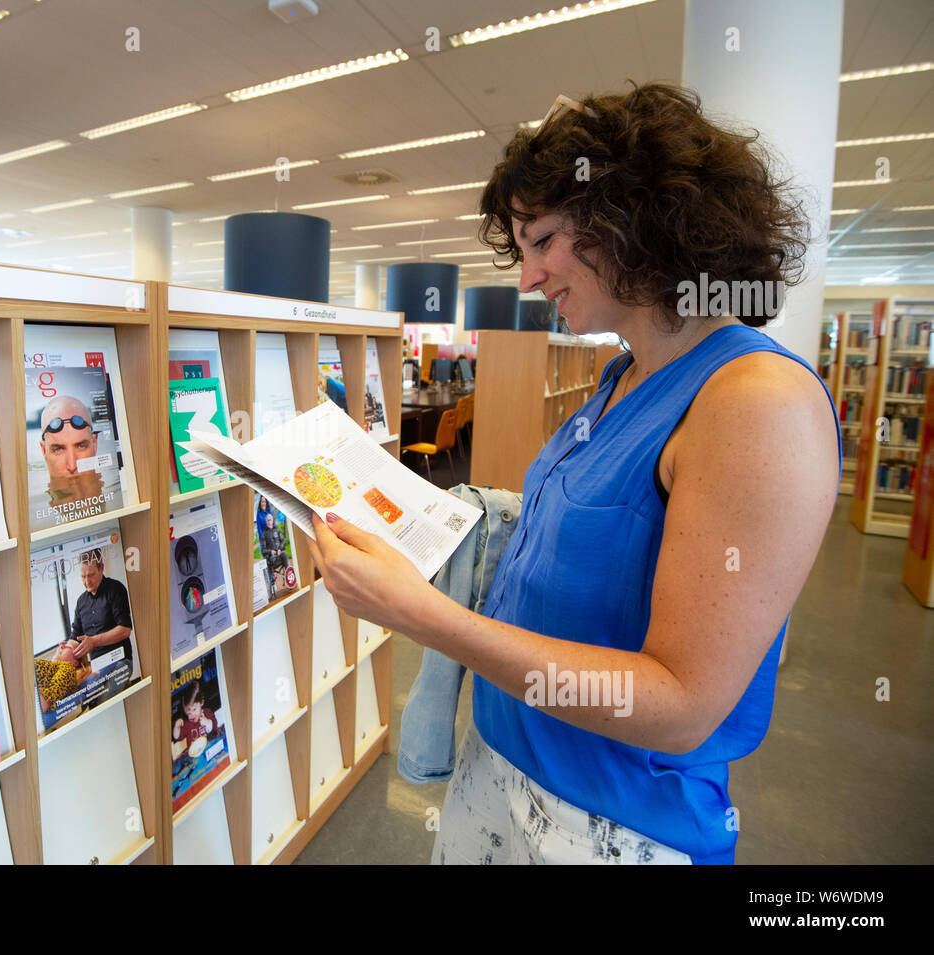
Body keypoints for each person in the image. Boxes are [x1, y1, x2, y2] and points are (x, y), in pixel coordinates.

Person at [306, 83, 840, 865]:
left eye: (543, 240)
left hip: (605, 824)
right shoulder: (620, 379)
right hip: (500, 766)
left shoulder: (758, 404)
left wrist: (427, 618)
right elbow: (593, 532)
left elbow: (680, 702)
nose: (527, 279)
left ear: (634, 215)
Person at [67, 548, 134, 667]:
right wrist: (65, 648)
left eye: (91, 575)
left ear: (101, 568)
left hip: (120, 660)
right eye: (83, 576)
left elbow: (125, 630)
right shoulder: (81, 602)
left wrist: (93, 641)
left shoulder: (115, 589)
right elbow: (75, 636)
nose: (87, 581)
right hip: (97, 666)